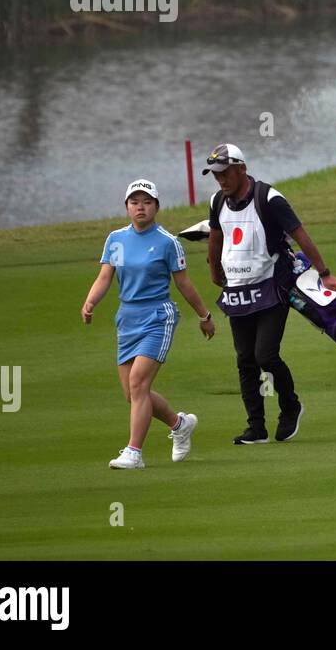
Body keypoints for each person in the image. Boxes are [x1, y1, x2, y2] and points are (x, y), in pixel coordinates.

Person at [202, 143, 336, 444]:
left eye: (225, 173)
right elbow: (215, 238)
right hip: (238, 290)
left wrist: (325, 273)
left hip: (273, 286)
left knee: (265, 354)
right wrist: (216, 273)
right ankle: (256, 428)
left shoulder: (269, 198)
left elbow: (301, 236)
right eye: (216, 175)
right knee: (244, 359)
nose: (221, 180)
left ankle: (290, 406)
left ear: (241, 169)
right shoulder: (217, 201)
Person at [83, 179, 216, 469]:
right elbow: (106, 276)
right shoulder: (116, 239)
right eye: (134, 202)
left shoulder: (168, 242)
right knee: (133, 394)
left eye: (146, 202)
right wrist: (91, 301)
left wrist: (204, 316)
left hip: (158, 317)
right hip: (127, 318)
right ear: (127, 207)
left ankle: (134, 452)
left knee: (138, 383)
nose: (140, 207)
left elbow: (183, 284)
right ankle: (179, 424)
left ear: (156, 206)